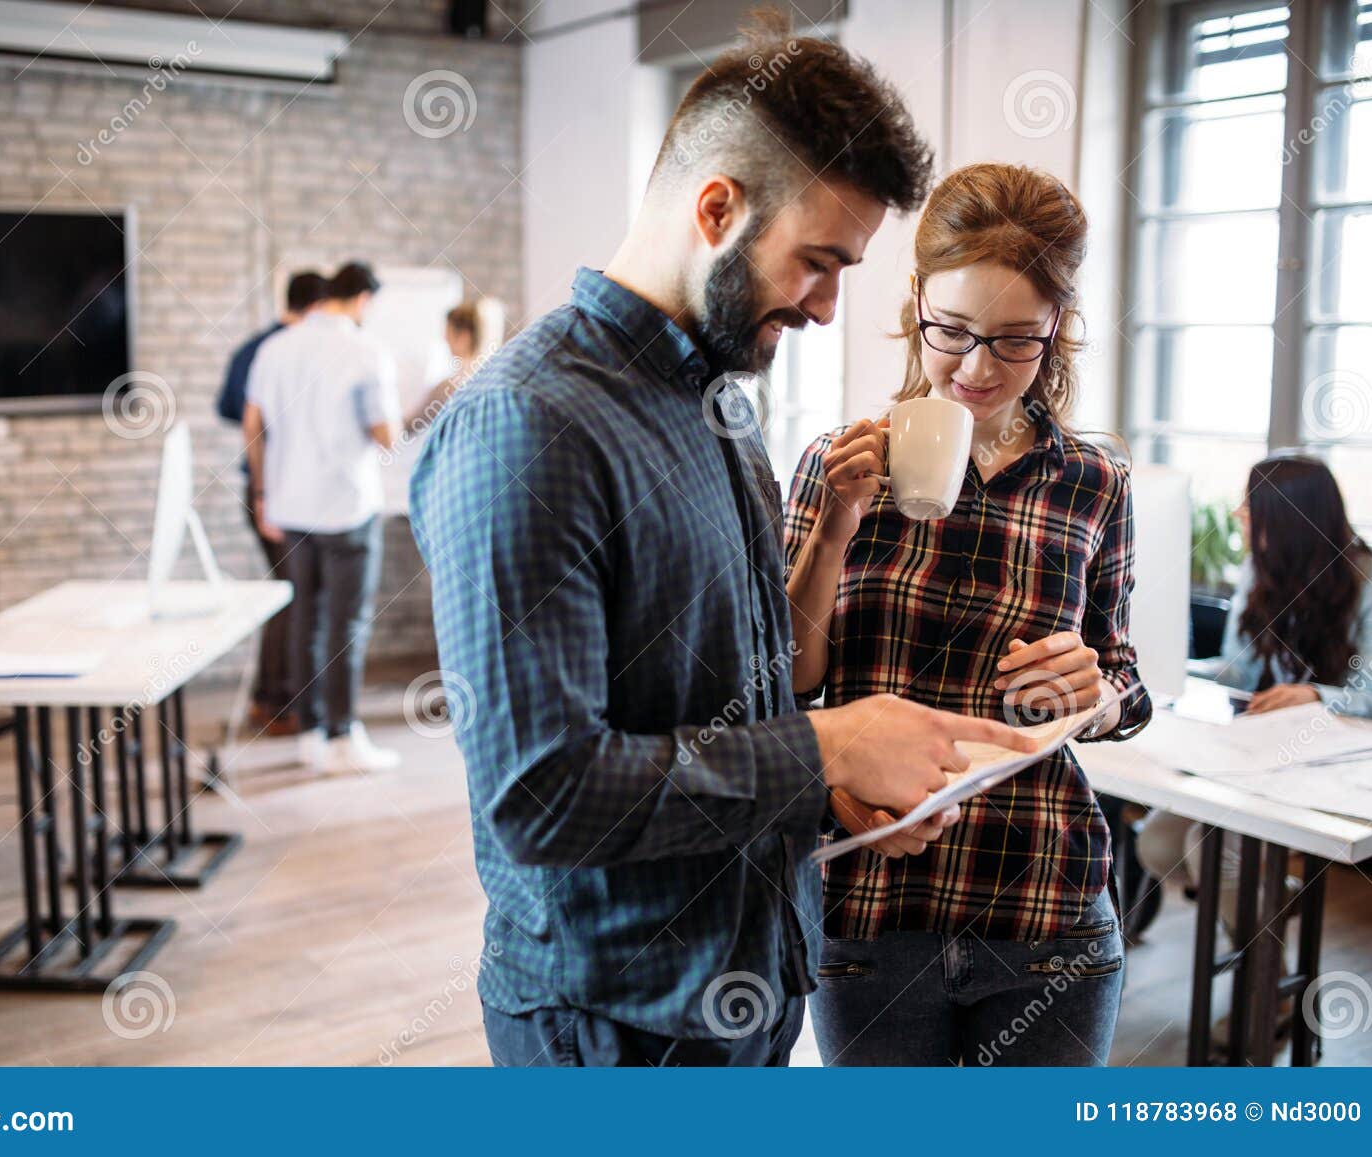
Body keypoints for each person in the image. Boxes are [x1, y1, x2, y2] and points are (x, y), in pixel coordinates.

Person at [409, 14, 1041, 1068]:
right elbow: (540, 792)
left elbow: (732, 707)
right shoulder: (525, 424)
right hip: (618, 1020)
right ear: (717, 209)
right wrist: (831, 744)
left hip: (752, 976)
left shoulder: (720, 400)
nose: (832, 309)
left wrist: (835, 796)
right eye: (819, 262)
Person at [783, 162, 1154, 1067]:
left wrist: (1096, 691)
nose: (979, 368)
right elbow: (781, 685)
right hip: (873, 911)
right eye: (952, 331)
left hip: (1047, 914)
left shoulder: (1094, 483)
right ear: (915, 303)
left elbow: (1128, 685)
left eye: (1017, 339)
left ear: (1056, 327)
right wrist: (833, 530)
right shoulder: (837, 463)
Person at [1137, 454, 1372, 919]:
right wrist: (1172, 668)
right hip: (1255, 747)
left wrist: (1316, 696)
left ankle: (1266, 984)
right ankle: (1277, 897)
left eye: (1250, 504)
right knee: (1158, 845)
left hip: (1324, 756)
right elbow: (1237, 676)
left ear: (1290, 517)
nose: (1239, 514)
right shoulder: (1260, 571)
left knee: (1211, 851)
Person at [244, 261, 403, 775]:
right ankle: (342, 735)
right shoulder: (365, 350)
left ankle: (310, 733)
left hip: (291, 505)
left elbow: (254, 424)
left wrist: (263, 495)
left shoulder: (275, 348)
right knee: (346, 623)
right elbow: (386, 436)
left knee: (305, 620)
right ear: (361, 300)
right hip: (346, 507)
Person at [216, 269, 327, 736]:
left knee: (288, 591)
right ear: (319, 306)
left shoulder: (254, 346)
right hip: (279, 489)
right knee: (293, 594)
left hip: (265, 486)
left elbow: (227, 407)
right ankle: (279, 702)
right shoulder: (294, 350)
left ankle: (274, 698)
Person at [404, 299, 503, 429]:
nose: (445, 340)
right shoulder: (495, 381)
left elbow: (409, 425)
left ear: (464, 336)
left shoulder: (448, 388)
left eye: (448, 334)